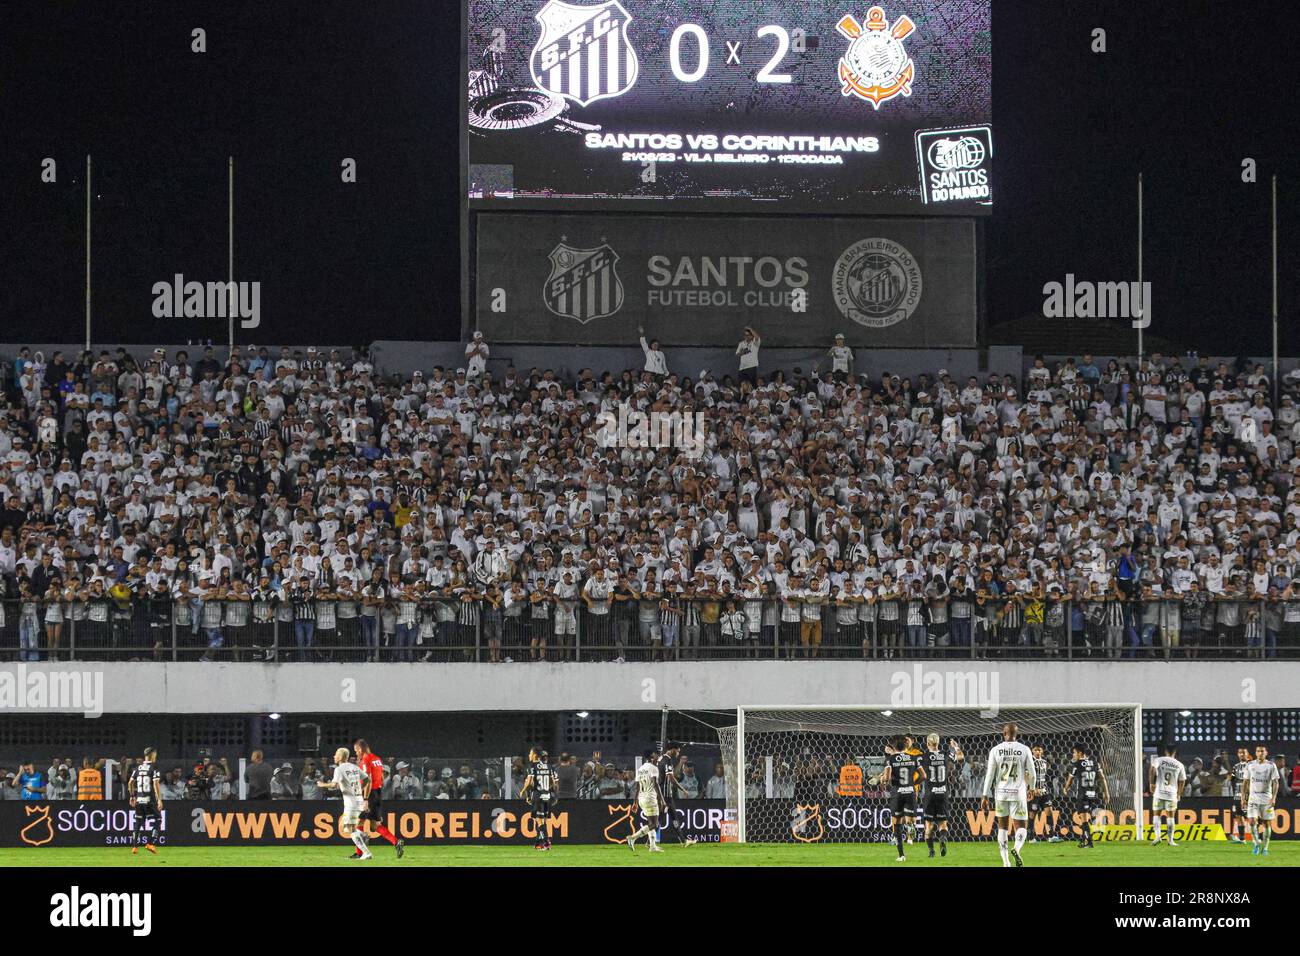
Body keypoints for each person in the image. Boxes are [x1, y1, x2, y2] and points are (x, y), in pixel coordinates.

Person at [980, 722, 1037, 867]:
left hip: (1001, 794)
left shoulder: (995, 750)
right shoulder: (1024, 749)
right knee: (1022, 826)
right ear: (1017, 734)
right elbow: (1032, 773)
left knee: (1002, 827)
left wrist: (985, 795)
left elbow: (989, 774)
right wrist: (1032, 788)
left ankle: (1006, 863)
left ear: (1004, 733)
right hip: (1018, 793)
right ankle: (1016, 849)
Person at [317, 747, 372, 860]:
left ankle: (367, 853)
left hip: (351, 803)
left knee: (349, 829)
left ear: (341, 757)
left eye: (336, 754)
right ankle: (363, 835)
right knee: (344, 827)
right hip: (359, 800)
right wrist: (359, 789)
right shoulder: (354, 767)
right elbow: (367, 779)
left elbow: (334, 785)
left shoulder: (339, 769)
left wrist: (322, 785)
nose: (334, 756)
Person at [353, 738, 404, 857]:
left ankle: (359, 853)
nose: (356, 753)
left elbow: (368, 780)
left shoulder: (365, 760)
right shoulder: (377, 759)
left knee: (358, 823)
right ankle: (396, 842)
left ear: (360, 749)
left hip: (369, 794)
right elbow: (380, 778)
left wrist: (365, 799)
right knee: (375, 825)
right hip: (377, 793)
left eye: (356, 751)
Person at [882, 736, 925, 862]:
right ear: (905, 747)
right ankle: (910, 826)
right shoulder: (913, 758)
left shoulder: (890, 759)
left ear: (894, 747)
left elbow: (887, 778)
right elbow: (924, 776)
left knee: (897, 823)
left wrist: (882, 779)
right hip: (910, 792)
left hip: (898, 793)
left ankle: (901, 855)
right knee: (910, 818)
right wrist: (913, 783)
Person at [1062, 742, 1108, 849]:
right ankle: (1083, 840)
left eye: (1074, 753)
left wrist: (1065, 788)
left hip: (1082, 795)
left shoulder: (1077, 764)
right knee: (1085, 817)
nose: (1073, 755)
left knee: (1084, 820)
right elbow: (1102, 778)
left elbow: (1070, 780)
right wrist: (1106, 793)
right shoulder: (1095, 762)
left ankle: (1089, 842)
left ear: (1080, 753)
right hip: (1092, 794)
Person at [656, 742, 697, 847]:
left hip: (664, 794)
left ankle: (683, 840)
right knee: (659, 819)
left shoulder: (660, 759)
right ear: (672, 750)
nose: (678, 753)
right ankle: (641, 839)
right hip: (665, 796)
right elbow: (671, 778)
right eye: (677, 751)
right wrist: (683, 789)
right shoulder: (667, 760)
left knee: (674, 817)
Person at [1243, 744, 1280, 856]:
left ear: (1266, 753)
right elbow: (1245, 782)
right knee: (1252, 821)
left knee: (1266, 823)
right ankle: (1256, 844)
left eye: (1262, 751)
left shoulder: (1271, 765)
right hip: (1253, 798)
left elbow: (1275, 782)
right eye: (1258, 751)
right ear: (1255, 753)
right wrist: (1243, 798)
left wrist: (1273, 798)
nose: (1260, 753)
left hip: (1266, 798)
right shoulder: (1250, 765)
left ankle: (1265, 848)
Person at [921, 734, 952, 858]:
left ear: (928, 743)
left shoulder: (924, 756)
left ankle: (931, 851)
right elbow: (960, 758)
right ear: (938, 743)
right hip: (942, 793)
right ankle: (942, 838)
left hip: (930, 794)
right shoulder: (945, 754)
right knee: (943, 824)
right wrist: (956, 747)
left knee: (929, 826)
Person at [1149, 743, 1186, 847]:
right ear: (1175, 752)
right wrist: (1179, 794)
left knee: (1156, 815)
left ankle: (1157, 837)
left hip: (1159, 793)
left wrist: (1151, 783)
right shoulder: (1179, 765)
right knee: (1170, 817)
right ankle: (1170, 841)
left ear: (1165, 751)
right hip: (1171, 794)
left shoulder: (1159, 760)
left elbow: (1152, 770)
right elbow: (1182, 781)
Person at [626, 755, 665, 853]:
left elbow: (638, 787)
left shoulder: (640, 769)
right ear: (651, 758)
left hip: (641, 798)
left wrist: (635, 801)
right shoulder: (653, 768)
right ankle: (633, 838)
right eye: (656, 757)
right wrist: (662, 800)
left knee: (650, 823)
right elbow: (655, 784)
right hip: (650, 798)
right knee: (654, 824)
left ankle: (652, 846)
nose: (657, 759)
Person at [128, 747, 163, 855]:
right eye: (155, 754)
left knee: (139, 821)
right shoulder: (154, 767)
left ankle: (134, 847)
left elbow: (130, 783)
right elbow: (155, 783)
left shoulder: (137, 768)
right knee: (158, 819)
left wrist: (132, 796)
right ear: (152, 754)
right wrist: (159, 799)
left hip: (139, 800)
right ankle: (151, 843)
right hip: (149, 800)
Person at [520, 746, 556, 851]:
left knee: (539, 821)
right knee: (542, 821)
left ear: (535, 755)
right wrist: (546, 788)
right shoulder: (548, 766)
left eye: (530, 753)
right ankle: (538, 843)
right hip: (547, 796)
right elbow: (553, 783)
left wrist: (523, 790)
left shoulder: (532, 766)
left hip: (538, 795)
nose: (529, 755)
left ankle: (547, 843)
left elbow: (529, 781)